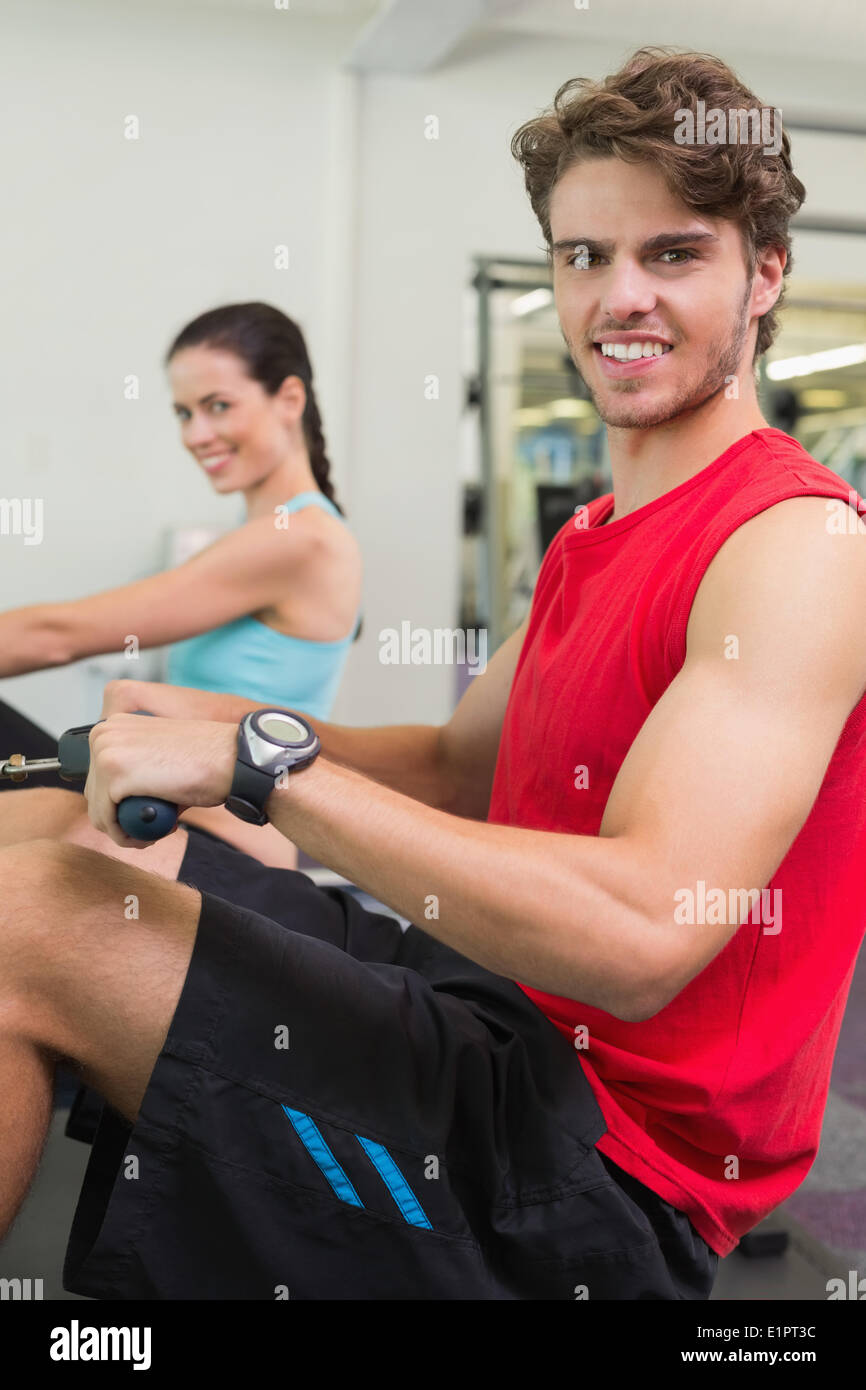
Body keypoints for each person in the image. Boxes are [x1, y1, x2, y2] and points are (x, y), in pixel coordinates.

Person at [1, 46, 865, 1299]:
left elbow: (645, 932)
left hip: (602, 1167)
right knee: (43, 825)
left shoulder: (799, 548)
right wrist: (229, 719)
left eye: (671, 254)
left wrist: (259, 765)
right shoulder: (591, 539)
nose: (618, 296)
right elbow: (459, 768)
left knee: (29, 928)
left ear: (762, 273)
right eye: (583, 257)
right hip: (494, 1009)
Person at [0, 301, 363, 869]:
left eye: (218, 406)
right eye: (184, 413)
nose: (197, 434)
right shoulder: (275, 533)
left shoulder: (298, 538)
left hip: (227, 849)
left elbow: (58, 635)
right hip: (170, 818)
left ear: (289, 399)